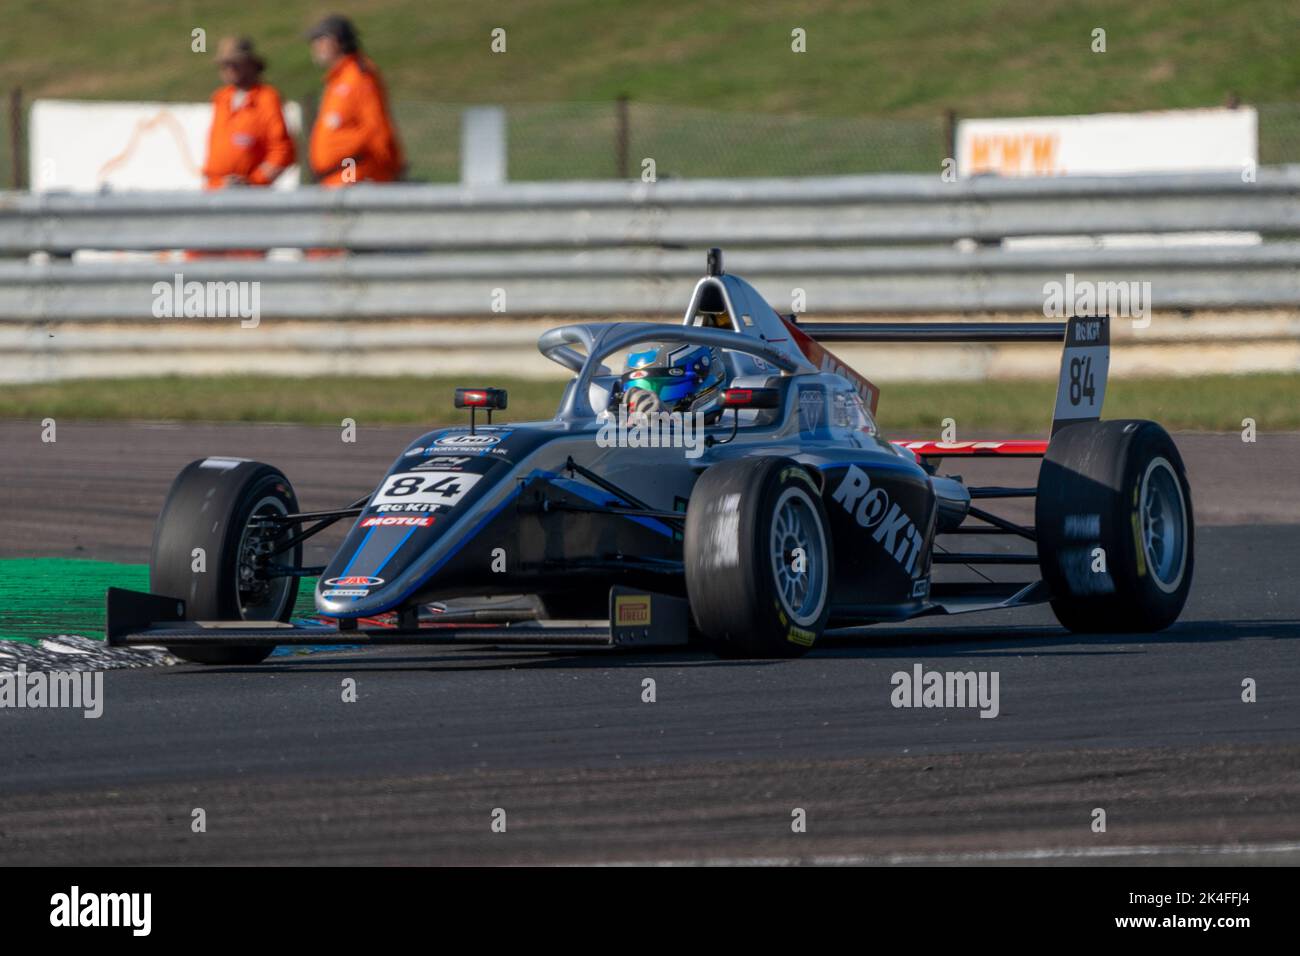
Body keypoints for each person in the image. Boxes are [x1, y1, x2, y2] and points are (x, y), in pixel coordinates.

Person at [306, 14, 404, 186]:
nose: (315, 46)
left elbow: (377, 129)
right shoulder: (339, 79)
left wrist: (388, 172)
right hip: (336, 178)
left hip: (352, 175)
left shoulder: (359, 77)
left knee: (347, 209)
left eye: (320, 40)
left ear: (337, 41)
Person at [201, 37, 295, 189]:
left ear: (251, 64)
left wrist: (253, 183)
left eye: (234, 63)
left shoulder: (267, 98)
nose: (229, 69)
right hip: (215, 190)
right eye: (224, 65)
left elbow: (282, 151)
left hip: (247, 196)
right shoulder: (221, 98)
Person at [616, 343, 728, 422]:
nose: (652, 406)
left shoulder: (738, 434)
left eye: (669, 391)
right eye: (639, 391)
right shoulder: (616, 432)